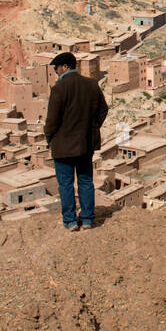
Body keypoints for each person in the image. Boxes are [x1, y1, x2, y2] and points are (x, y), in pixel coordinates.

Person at [42, 52, 108, 231]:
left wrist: (50, 138)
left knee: (65, 184)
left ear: (65, 67)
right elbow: (103, 110)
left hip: (63, 147)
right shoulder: (91, 84)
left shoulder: (59, 89)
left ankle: (70, 221)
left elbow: (52, 121)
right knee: (86, 181)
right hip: (85, 144)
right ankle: (87, 219)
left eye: (56, 68)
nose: (56, 72)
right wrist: (92, 128)